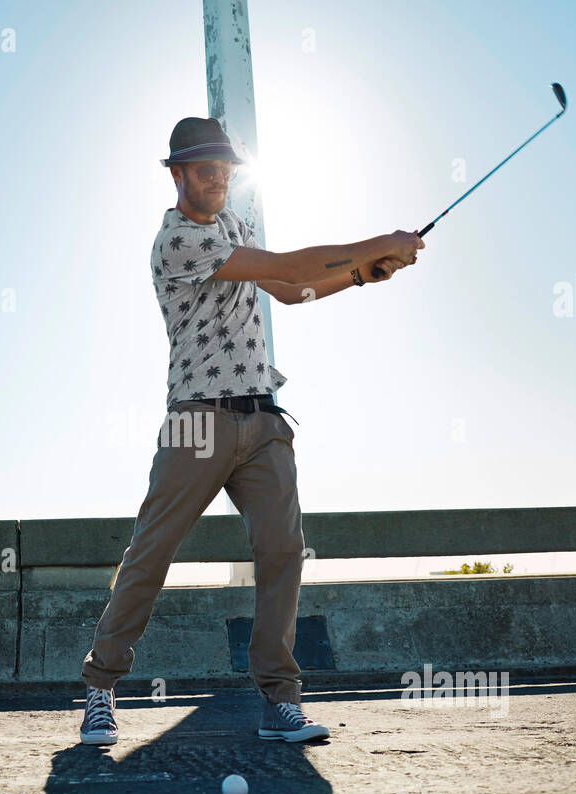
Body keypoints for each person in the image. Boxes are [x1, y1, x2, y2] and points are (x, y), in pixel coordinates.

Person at [79, 116, 424, 745]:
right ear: (177, 174)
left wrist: (359, 274)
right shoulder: (177, 241)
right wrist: (378, 241)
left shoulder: (234, 226)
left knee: (283, 551)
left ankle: (280, 702)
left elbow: (292, 289)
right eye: (205, 169)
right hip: (196, 421)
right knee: (152, 551)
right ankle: (101, 687)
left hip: (263, 418)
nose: (217, 180)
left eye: (226, 169)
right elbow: (292, 260)